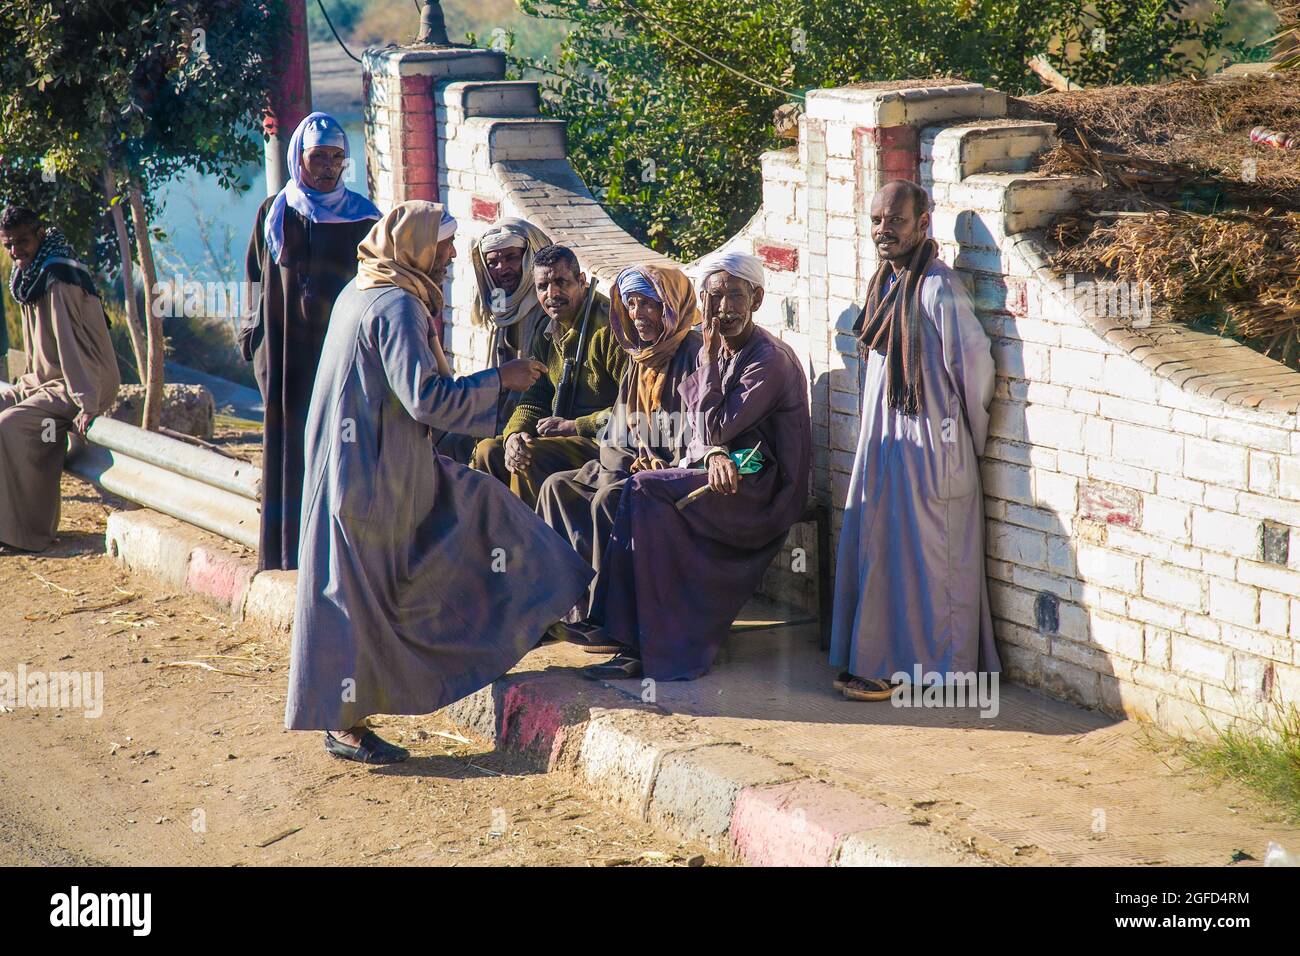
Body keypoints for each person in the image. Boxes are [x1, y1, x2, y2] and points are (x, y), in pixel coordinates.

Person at [284, 200, 592, 764]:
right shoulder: (396, 306)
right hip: (376, 477)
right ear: (419, 247)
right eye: (445, 247)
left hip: (367, 468)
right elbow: (426, 399)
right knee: (364, 594)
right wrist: (501, 378)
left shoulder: (362, 291)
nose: (453, 258)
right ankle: (347, 722)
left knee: (464, 517)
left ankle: (527, 617)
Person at [580, 251, 812, 681]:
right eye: (714, 297)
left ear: (757, 299)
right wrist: (712, 452)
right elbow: (702, 432)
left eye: (734, 297)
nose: (722, 310)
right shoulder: (719, 350)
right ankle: (626, 632)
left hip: (763, 485)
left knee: (645, 492)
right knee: (638, 490)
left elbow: (717, 426)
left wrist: (713, 446)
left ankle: (657, 646)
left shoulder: (768, 359)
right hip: (725, 471)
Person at [829, 180, 1000, 701]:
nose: (884, 231)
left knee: (934, 563)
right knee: (883, 554)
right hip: (887, 448)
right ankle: (882, 662)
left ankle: (942, 675)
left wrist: (966, 444)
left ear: (923, 223)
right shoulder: (884, 283)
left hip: (934, 451)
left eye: (895, 221)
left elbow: (974, 369)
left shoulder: (937, 288)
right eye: (877, 221)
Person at [240, 111, 380, 571]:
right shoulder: (276, 213)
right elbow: (255, 287)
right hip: (289, 360)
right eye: (318, 156)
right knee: (293, 450)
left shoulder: (366, 219)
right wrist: (255, 346)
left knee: (345, 449)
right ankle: (290, 555)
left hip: (344, 360)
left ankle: (342, 557)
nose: (327, 166)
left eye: (337, 157)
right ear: (299, 156)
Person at [538, 264, 702, 647]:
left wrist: (653, 459)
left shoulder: (695, 355)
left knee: (608, 498)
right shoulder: (640, 356)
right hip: (630, 460)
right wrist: (629, 457)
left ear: (672, 306)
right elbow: (621, 424)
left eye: (649, 303)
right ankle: (561, 608)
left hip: (675, 470)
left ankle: (610, 619)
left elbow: (699, 430)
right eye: (631, 304)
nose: (639, 314)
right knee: (555, 487)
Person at [0, 205, 120, 553]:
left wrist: (87, 402)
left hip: (82, 379)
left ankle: (25, 532)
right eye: (8, 244)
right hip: (45, 379)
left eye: (22, 241)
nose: (15, 251)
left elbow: (70, 344)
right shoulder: (27, 274)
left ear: (39, 234)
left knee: (10, 425)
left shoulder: (57, 276)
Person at [471, 244, 627, 508]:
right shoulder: (547, 328)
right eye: (543, 286)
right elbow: (534, 396)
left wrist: (575, 425)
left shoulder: (609, 329)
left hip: (604, 442)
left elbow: (634, 412)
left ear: (582, 281)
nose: (552, 294)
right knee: (489, 451)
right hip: (561, 438)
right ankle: (483, 540)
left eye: (561, 282)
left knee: (528, 456)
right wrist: (514, 434)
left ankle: (526, 544)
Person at [437, 217, 553, 463]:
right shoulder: (498, 308)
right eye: (493, 262)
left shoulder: (548, 309)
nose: (502, 269)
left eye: (511, 257)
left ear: (529, 256)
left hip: (534, 421)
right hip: (495, 416)